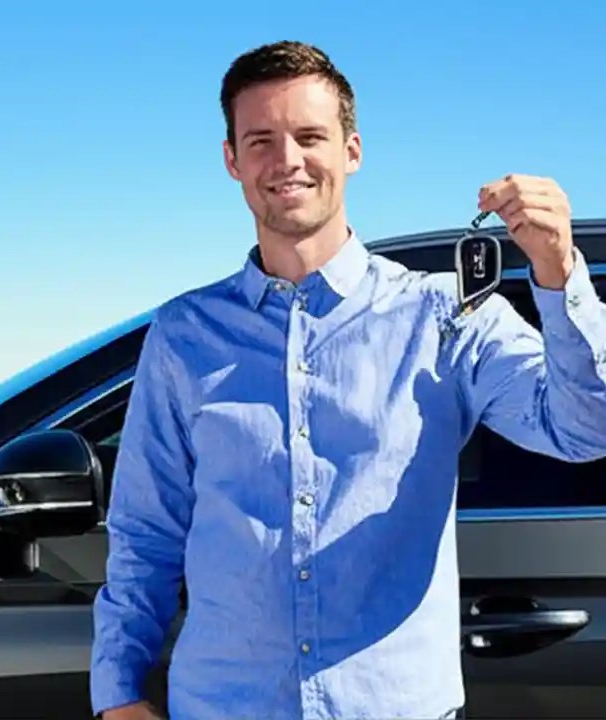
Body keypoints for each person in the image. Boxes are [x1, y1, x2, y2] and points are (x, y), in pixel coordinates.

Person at [89, 40, 606, 720]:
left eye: (310, 136)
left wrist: (559, 274)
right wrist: (118, 693)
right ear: (232, 161)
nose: (287, 161)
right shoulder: (183, 335)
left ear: (352, 151)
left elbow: (584, 429)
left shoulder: (449, 317)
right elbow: (145, 535)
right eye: (261, 140)